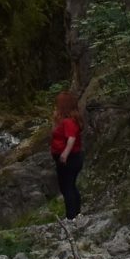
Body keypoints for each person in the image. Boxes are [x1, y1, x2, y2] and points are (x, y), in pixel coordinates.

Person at [50, 89, 84, 220]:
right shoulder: (67, 120)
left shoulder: (69, 121)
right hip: (72, 158)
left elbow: (71, 138)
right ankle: (76, 213)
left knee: (67, 187)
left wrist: (64, 154)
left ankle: (71, 216)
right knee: (70, 186)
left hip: (69, 159)